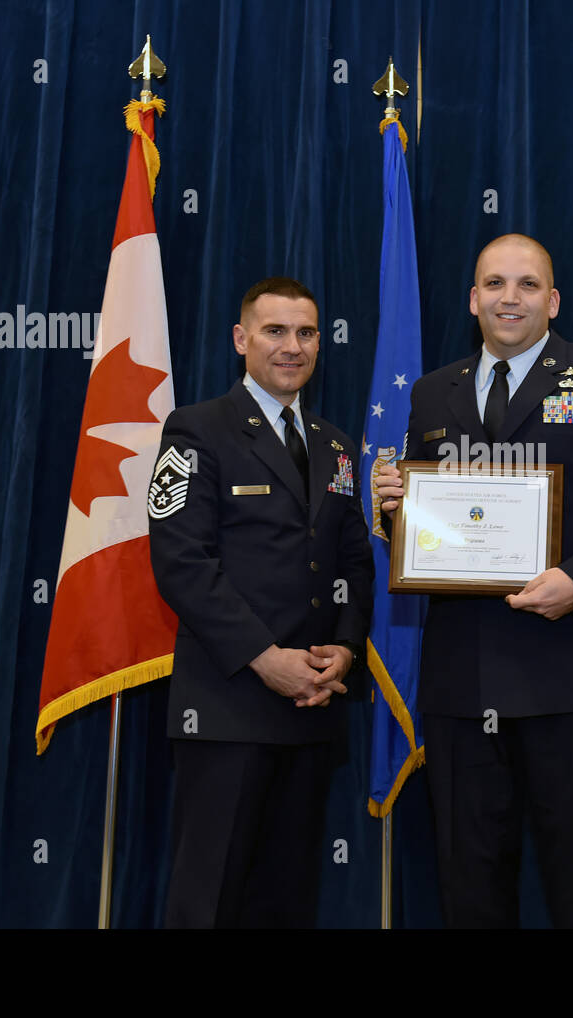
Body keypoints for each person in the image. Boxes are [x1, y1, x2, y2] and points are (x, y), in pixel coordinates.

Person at [375, 233, 573, 927]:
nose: (511, 297)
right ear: (473, 298)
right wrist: (395, 511)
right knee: (468, 886)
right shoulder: (430, 392)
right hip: (462, 679)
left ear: (554, 300)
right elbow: (427, 532)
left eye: (528, 284)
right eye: (496, 284)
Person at [147, 276, 373, 927]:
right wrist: (264, 658)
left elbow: (353, 561)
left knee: (288, 899)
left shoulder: (333, 443)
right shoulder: (197, 429)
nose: (292, 347)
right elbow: (182, 565)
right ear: (242, 339)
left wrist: (348, 648)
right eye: (275, 331)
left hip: (311, 708)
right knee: (210, 897)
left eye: (306, 333)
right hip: (227, 708)